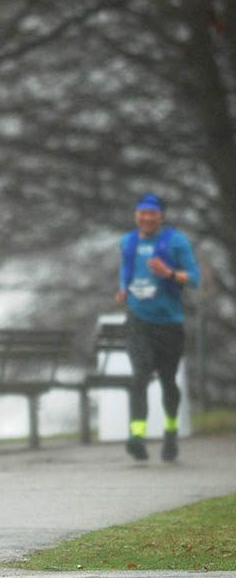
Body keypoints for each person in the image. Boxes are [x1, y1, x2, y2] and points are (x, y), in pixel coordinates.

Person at [116, 192, 200, 462]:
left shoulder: (176, 241)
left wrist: (169, 274)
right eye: (142, 212)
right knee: (140, 374)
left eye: (152, 213)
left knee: (167, 380)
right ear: (136, 215)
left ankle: (170, 433)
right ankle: (136, 436)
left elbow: (194, 278)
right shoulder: (127, 242)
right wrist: (122, 290)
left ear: (160, 216)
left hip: (169, 323)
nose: (146, 217)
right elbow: (126, 272)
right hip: (138, 320)